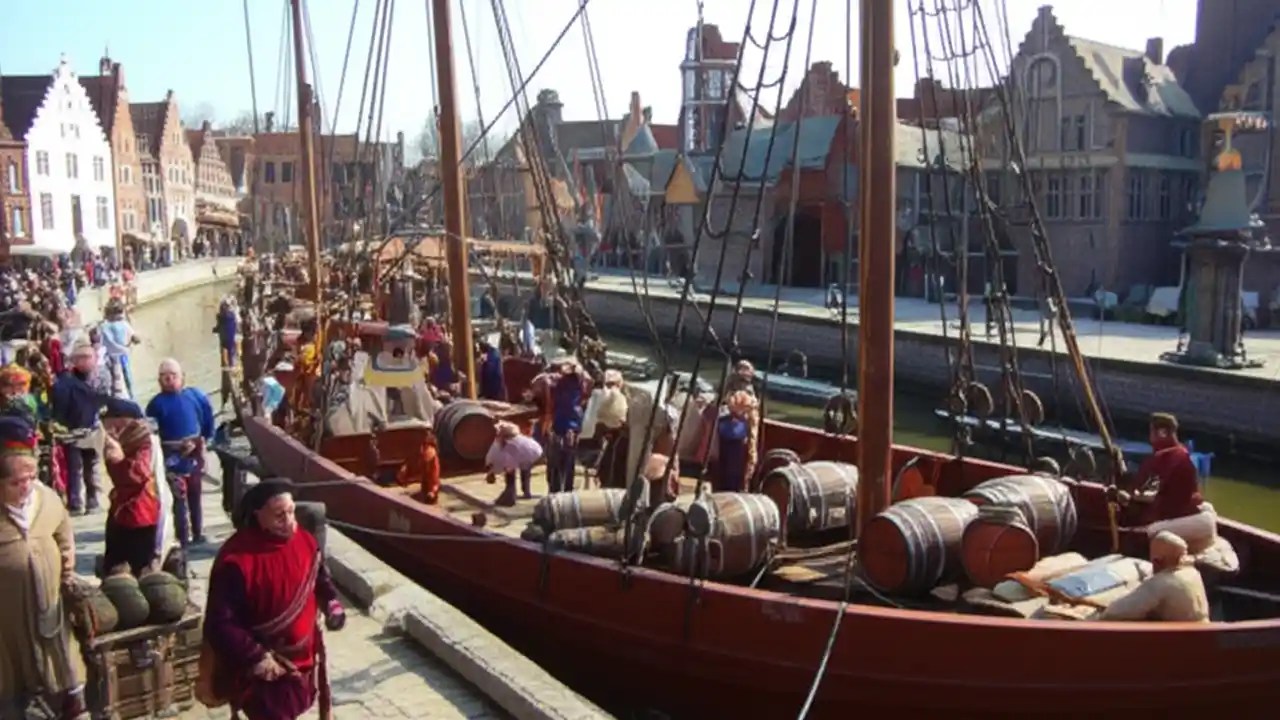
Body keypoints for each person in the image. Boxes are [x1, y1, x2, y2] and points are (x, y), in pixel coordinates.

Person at [202, 480, 345, 720]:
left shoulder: (306, 541)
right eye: (280, 515)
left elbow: (319, 580)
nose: (289, 521)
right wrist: (255, 657)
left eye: (291, 512)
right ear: (259, 515)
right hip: (266, 668)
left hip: (305, 659)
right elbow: (219, 622)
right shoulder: (237, 560)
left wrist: (332, 604)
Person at [0, 416, 83, 719]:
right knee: (12, 669)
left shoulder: (46, 499)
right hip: (6, 614)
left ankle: (67, 702)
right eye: (15, 483)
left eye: (30, 479)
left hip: (48, 603)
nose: (25, 487)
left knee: (57, 657)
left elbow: (64, 534)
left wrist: (67, 569)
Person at [51, 340, 144, 515]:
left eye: (88, 357)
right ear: (73, 361)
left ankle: (93, 499)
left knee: (92, 466)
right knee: (74, 468)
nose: (85, 361)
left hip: (93, 430)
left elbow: (108, 401)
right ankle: (75, 502)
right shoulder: (64, 382)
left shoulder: (101, 377)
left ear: (95, 358)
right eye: (80, 358)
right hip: (71, 432)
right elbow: (59, 407)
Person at [145, 359, 215, 546]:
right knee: (179, 498)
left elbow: (206, 419)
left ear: (182, 377)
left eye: (173, 375)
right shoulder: (155, 405)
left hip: (193, 454)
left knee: (195, 494)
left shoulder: (193, 397)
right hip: (171, 457)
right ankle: (182, 536)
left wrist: (203, 440)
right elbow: (150, 433)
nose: (169, 379)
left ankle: (198, 532)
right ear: (159, 380)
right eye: (164, 376)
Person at [1111, 413, 1203, 524]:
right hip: (1181, 513)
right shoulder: (1182, 453)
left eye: (1151, 432)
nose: (1150, 437)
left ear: (1162, 433)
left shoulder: (1164, 459)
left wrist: (1127, 497)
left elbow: (1148, 494)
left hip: (1163, 518)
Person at [1099, 531, 1210, 623]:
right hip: (1203, 635)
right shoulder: (1194, 573)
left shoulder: (1160, 584)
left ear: (1157, 561)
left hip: (1179, 642)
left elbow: (1113, 613)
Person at [101, 417, 162, 576]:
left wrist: (121, 458)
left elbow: (139, 475)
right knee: (114, 568)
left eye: (111, 422)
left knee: (140, 567)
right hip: (119, 511)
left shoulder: (144, 440)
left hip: (141, 513)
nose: (108, 428)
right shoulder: (114, 440)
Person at [484, 421, 542, 506]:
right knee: (519, 470)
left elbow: (506, 464)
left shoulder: (509, 444)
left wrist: (494, 471)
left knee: (511, 476)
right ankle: (521, 493)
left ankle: (510, 498)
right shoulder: (509, 441)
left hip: (530, 453)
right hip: (531, 451)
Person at [99, 299, 140, 399]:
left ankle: (125, 397)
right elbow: (136, 339)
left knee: (121, 377)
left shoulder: (110, 325)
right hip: (117, 355)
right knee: (121, 377)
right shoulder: (114, 325)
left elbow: (133, 335)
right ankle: (125, 397)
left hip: (116, 356)